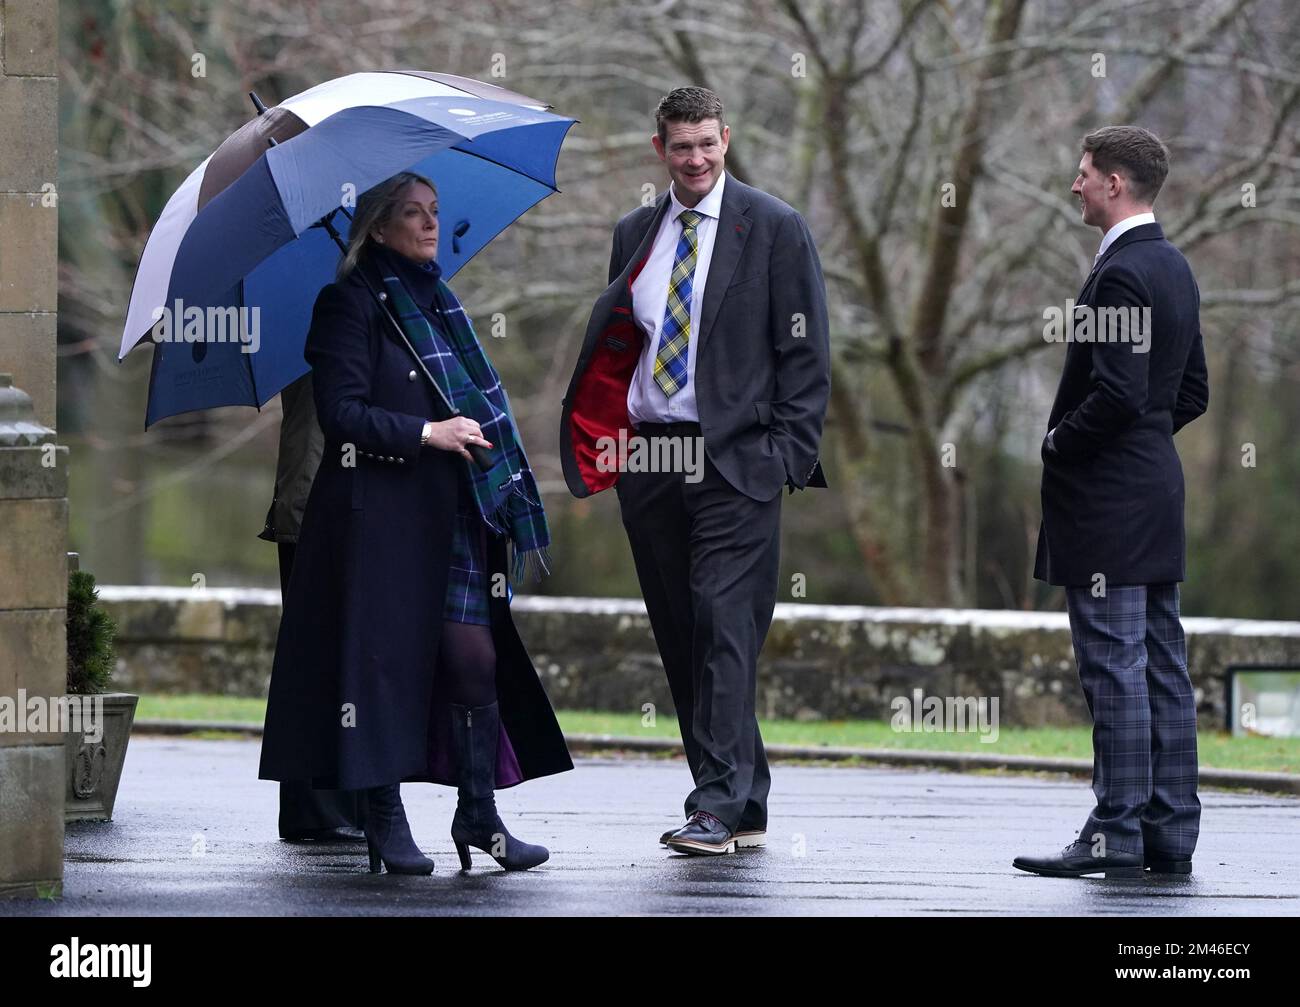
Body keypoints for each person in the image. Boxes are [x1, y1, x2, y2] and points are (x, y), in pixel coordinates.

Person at [259, 171, 573, 874]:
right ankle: (383, 818)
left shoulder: (438, 305)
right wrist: (427, 431)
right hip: (380, 525)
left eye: (435, 211)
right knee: (382, 674)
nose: (431, 225)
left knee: (475, 662)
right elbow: (341, 414)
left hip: (457, 514)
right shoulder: (347, 305)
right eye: (413, 214)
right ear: (377, 226)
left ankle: (479, 816)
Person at [559, 87, 831, 855]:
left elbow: (806, 355)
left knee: (723, 621)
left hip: (736, 460)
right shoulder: (633, 234)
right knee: (683, 632)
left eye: (708, 143)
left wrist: (784, 455)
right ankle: (744, 798)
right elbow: (620, 346)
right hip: (651, 456)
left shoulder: (775, 228)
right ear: (661, 151)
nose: (698, 158)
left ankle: (712, 803)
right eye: (682, 146)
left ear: (727, 139)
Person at [1014, 126, 1208, 879]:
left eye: (1085, 172)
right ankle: (1169, 829)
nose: (1075, 184)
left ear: (1116, 184)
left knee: (1116, 669)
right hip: (1154, 492)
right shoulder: (1176, 267)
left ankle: (1114, 830)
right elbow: (1190, 391)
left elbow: (1120, 393)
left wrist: (1061, 440)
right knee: (1161, 663)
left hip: (1108, 505)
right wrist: (1145, 445)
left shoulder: (1123, 274)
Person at [257, 372, 363, 844]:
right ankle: (320, 807)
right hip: (320, 507)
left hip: (318, 503)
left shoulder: (324, 319)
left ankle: (332, 806)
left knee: (330, 662)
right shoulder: (335, 320)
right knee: (320, 662)